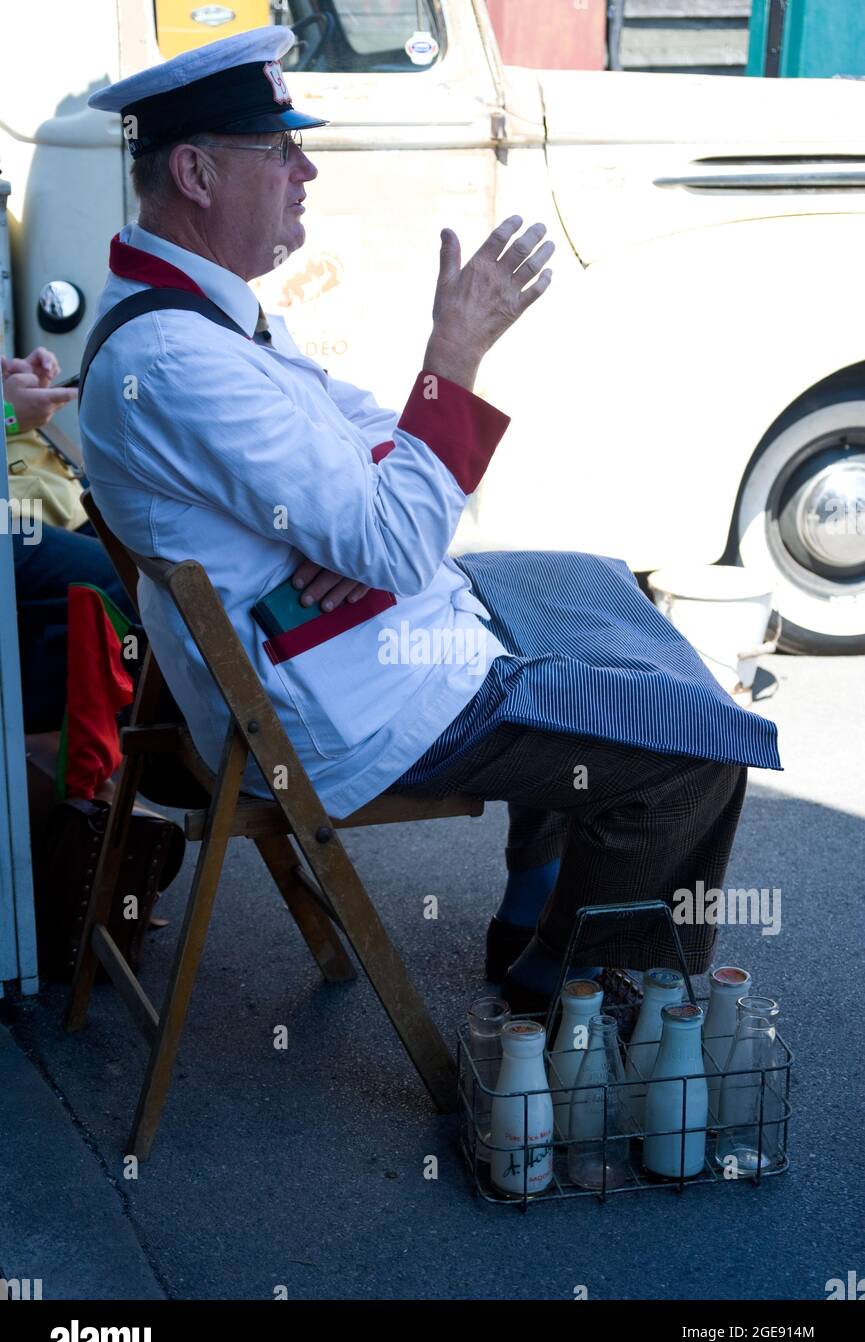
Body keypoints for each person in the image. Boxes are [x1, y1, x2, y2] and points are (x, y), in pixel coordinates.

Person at [79, 26, 781, 1011]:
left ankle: (535, 908)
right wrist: (450, 357)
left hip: (342, 635)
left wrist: (372, 528)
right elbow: (399, 534)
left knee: (587, 585)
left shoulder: (194, 311)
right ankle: (570, 992)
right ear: (195, 172)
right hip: (350, 696)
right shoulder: (179, 358)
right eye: (278, 150)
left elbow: (367, 439)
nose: (304, 169)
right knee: (697, 751)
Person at [4, 350, 134, 731]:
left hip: (41, 499)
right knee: (121, 582)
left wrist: (16, 380)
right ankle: (50, 741)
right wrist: (9, 416)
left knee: (154, 546)